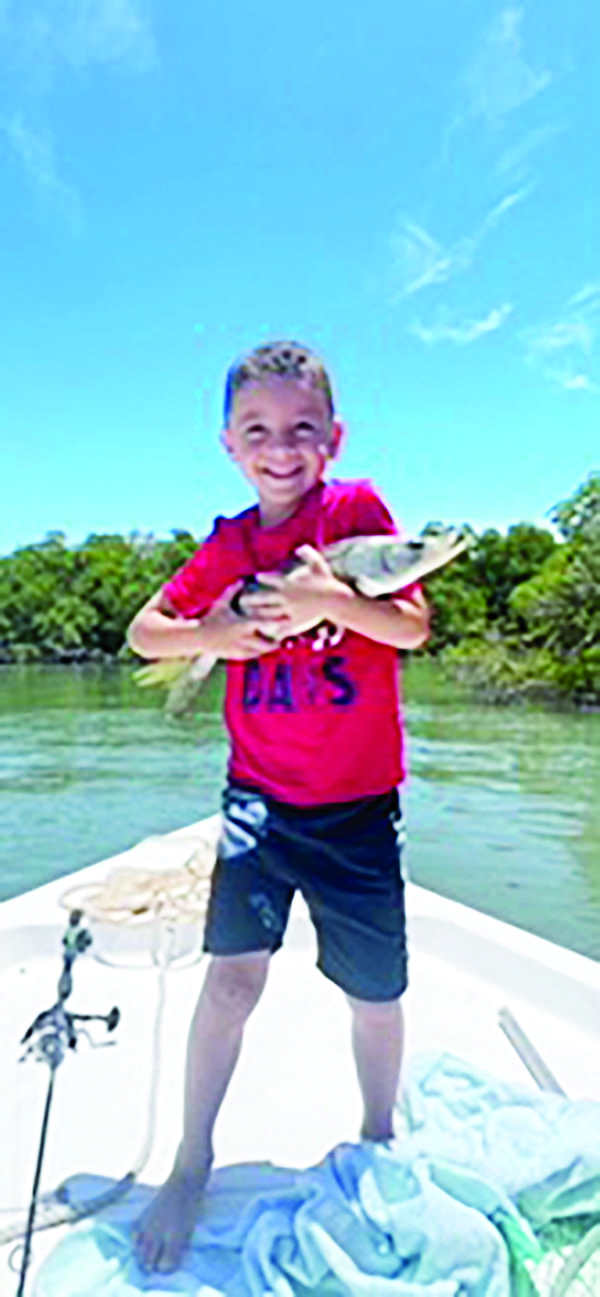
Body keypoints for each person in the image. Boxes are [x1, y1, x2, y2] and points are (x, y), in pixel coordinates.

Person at [127, 340, 429, 1273]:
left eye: (303, 428)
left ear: (333, 439)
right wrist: (213, 632)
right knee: (229, 982)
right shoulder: (226, 544)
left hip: (357, 810)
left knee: (374, 993)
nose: (282, 446)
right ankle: (190, 1159)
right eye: (258, 430)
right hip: (257, 802)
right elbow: (145, 633)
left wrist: (324, 595)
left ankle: (378, 1136)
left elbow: (412, 625)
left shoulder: (357, 512)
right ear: (229, 444)